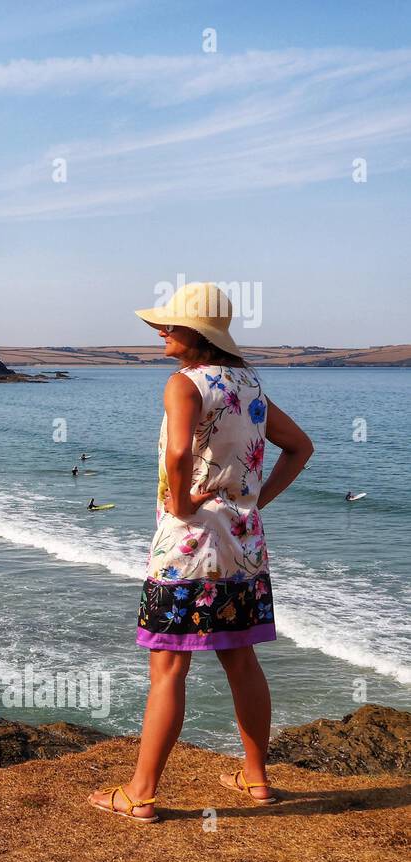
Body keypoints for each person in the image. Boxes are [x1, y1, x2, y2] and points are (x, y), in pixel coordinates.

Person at [90, 282, 313, 822]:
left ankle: (140, 794)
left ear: (198, 333)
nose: (159, 331)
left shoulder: (183, 384)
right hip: (243, 546)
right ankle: (257, 780)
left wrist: (186, 503)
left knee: (168, 667)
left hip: (187, 547)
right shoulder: (249, 382)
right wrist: (255, 501)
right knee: (241, 658)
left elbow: (178, 452)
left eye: (169, 324)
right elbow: (300, 446)